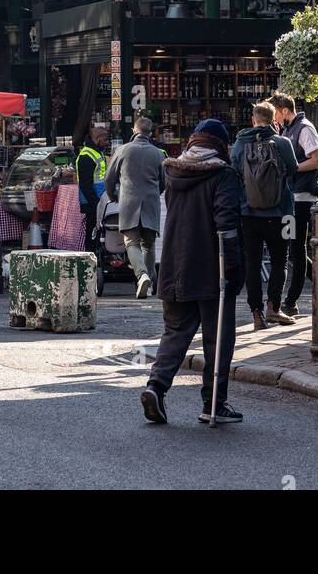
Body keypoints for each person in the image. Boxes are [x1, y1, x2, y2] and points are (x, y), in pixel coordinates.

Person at [141, 118, 245, 426]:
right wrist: (235, 269)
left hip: (174, 264)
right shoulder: (223, 174)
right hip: (211, 268)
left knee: (175, 332)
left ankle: (155, 387)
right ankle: (214, 403)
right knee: (218, 337)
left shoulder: (174, 173)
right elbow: (226, 224)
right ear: (220, 146)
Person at [232, 101, 299, 330]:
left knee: (252, 262)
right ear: (274, 121)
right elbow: (293, 169)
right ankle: (274, 307)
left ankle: (257, 314)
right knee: (281, 260)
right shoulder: (283, 142)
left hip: (248, 213)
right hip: (281, 213)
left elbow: (234, 174)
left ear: (253, 119)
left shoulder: (240, 144)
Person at [272, 92, 318, 318]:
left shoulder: (304, 128)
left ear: (284, 110)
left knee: (296, 247)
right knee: (293, 246)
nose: (274, 117)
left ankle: (291, 301)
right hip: (292, 198)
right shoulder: (288, 130)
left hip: (302, 197)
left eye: (275, 112)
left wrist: (292, 168)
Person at [104, 116, 166, 299]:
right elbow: (164, 182)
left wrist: (114, 196)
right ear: (151, 132)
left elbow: (109, 178)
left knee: (131, 242)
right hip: (151, 203)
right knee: (149, 244)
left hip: (129, 203)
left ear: (134, 130)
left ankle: (142, 275)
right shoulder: (158, 154)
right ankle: (151, 281)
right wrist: (154, 194)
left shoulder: (123, 150)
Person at [76, 124, 109, 253]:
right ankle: (90, 255)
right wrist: (96, 203)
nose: (107, 143)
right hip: (92, 201)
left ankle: (96, 254)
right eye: (105, 140)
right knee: (92, 230)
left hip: (99, 199)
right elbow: (85, 184)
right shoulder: (87, 155)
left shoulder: (96, 152)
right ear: (97, 138)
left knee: (97, 230)